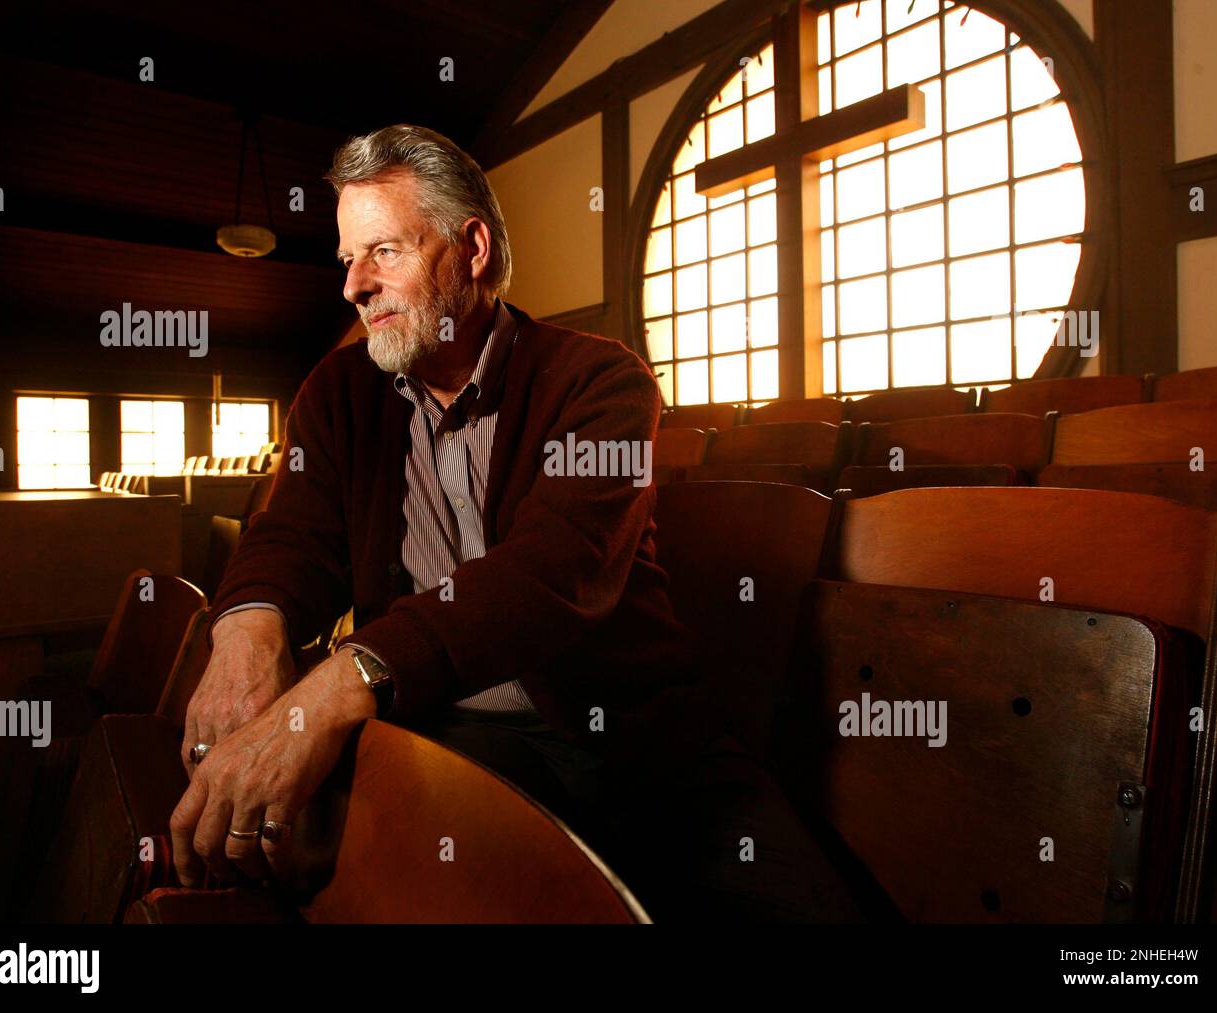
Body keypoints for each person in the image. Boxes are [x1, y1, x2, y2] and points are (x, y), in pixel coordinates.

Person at [169, 123, 860, 923]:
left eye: (384, 251)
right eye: (347, 260)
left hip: (630, 737)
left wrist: (341, 682)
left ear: (473, 248)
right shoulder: (337, 390)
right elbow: (291, 534)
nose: (353, 286)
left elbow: (553, 569)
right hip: (444, 729)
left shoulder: (600, 379)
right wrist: (245, 629)